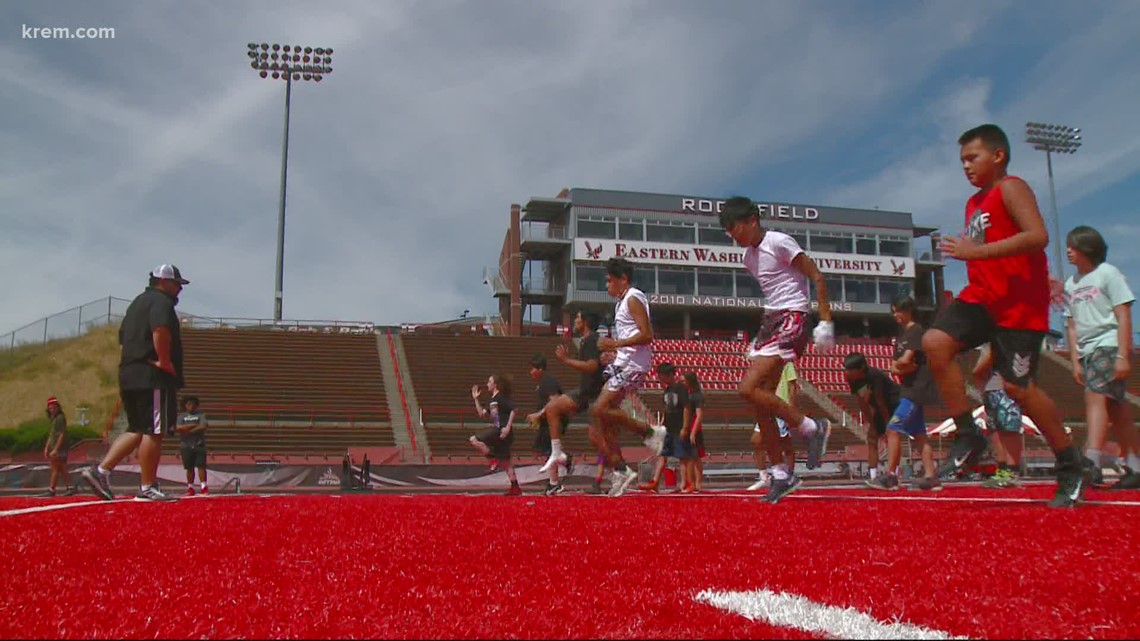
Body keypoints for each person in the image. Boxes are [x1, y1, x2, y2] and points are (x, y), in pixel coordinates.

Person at [924, 124, 1090, 508]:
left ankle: (1071, 463)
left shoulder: (1011, 188)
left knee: (1018, 389)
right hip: (983, 297)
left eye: (972, 157)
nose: (966, 166)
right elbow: (999, 247)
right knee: (934, 342)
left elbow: (1037, 236)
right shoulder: (973, 203)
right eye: (962, 160)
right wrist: (979, 257)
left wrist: (976, 253)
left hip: (1018, 306)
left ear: (997, 156)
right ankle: (968, 433)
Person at [720, 196, 831, 504]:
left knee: (748, 388)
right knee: (759, 403)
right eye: (727, 230)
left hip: (793, 316)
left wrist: (825, 320)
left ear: (752, 220)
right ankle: (781, 474)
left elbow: (816, 275)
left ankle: (812, 427)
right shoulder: (748, 257)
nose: (732, 234)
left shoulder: (779, 242)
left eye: (734, 226)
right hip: (770, 320)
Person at [83, 264, 190, 502]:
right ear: (163, 282)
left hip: (130, 373)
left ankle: (101, 471)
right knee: (154, 431)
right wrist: (164, 361)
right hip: (152, 375)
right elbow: (160, 328)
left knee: (136, 429)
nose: (179, 289)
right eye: (177, 284)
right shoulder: (161, 302)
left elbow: (123, 340)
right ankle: (148, 486)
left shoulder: (136, 304)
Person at [1063, 225, 1140, 489]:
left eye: (1073, 246)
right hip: (1086, 349)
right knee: (1117, 408)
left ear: (1087, 248)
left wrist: (1122, 354)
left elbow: (1123, 315)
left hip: (1108, 343)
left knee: (1094, 397)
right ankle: (1135, 466)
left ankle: (1091, 462)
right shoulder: (1071, 283)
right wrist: (1075, 360)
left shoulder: (1108, 274)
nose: (1068, 251)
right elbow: (1071, 325)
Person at [590, 257, 666, 497]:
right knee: (600, 426)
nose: (606, 285)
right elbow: (631, 337)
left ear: (623, 279)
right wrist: (614, 353)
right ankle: (621, 469)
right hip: (624, 362)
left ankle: (649, 431)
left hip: (634, 365)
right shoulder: (622, 303)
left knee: (599, 409)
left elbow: (647, 335)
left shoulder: (633, 298)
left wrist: (616, 344)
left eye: (609, 280)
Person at [866, 296, 941, 491]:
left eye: (898, 311)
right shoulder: (903, 335)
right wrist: (901, 366)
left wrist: (901, 365)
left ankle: (891, 475)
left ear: (908, 311)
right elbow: (895, 366)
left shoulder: (916, 331)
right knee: (919, 435)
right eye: (893, 312)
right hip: (908, 388)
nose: (895, 315)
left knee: (893, 429)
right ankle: (931, 476)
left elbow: (905, 360)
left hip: (916, 389)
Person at [534, 310, 605, 478]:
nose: (574, 320)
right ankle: (557, 452)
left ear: (585, 321)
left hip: (595, 395)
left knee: (597, 439)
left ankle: (619, 469)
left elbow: (592, 366)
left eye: (578, 318)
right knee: (552, 408)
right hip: (584, 392)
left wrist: (566, 360)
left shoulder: (592, 339)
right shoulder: (585, 340)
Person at [843, 352, 900, 483]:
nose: (847, 373)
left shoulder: (875, 376)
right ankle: (873, 475)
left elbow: (881, 401)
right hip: (878, 406)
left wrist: (888, 423)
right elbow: (862, 401)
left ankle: (893, 473)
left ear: (861, 368)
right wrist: (871, 423)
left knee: (892, 436)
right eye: (846, 369)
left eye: (851, 370)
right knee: (872, 438)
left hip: (894, 402)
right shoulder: (852, 378)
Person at [972, 347, 1025, 489]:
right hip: (991, 387)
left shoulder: (999, 338)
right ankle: (1003, 470)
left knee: (1008, 429)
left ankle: (1012, 472)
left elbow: (989, 357)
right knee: (995, 430)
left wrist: (976, 372)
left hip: (1004, 386)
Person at [639, 362, 690, 492]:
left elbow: (686, 407)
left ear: (670, 374)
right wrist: (661, 422)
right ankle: (655, 482)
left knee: (682, 456)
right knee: (662, 455)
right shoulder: (667, 390)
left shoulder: (680, 388)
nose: (661, 379)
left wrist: (685, 427)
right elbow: (665, 408)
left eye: (662, 376)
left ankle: (684, 483)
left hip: (678, 427)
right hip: (668, 428)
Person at [747, 363, 798, 491]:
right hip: (766, 405)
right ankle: (764, 476)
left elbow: (792, 386)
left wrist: (790, 408)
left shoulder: (786, 363)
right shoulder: (763, 363)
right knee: (757, 440)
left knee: (785, 443)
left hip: (779, 406)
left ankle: (789, 476)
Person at [470, 374, 520, 495]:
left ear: (495, 385)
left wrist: (508, 427)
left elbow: (514, 409)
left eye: (489, 381)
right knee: (506, 462)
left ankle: (493, 459)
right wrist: (476, 399)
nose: (487, 384)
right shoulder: (493, 400)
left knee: (474, 439)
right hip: (500, 431)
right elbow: (482, 414)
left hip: (501, 430)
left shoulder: (500, 397)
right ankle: (515, 487)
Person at [525, 354, 567, 495]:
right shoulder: (543, 382)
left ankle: (554, 482)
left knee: (549, 451)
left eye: (532, 369)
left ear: (540, 369)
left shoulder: (548, 382)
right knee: (543, 450)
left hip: (552, 423)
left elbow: (555, 401)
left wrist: (539, 414)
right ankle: (555, 479)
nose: (530, 372)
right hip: (546, 422)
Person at [41, 397, 76, 496]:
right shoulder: (54, 419)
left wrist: (56, 449)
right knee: (62, 468)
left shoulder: (60, 418)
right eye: (50, 408)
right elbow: (51, 434)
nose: (52, 410)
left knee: (55, 468)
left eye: (54, 408)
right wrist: (47, 447)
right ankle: (70, 487)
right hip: (54, 446)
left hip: (59, 447)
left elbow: (62, 434)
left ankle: (52, 489)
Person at [176, 395, 209, 496]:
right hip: (186, 445)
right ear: (185, 405)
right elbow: (178, 427)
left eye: (193, 404)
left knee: (201, 466)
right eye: (189, 404)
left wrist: (190, 431)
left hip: (199, 444)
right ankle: (190, 487)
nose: (191, 406)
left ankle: (203, 486)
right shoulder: (181, 416)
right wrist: (194, 425)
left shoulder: (201, 415)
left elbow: (203, 426)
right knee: (189, 468)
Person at [683, 371, 706, 492]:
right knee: (688, 457)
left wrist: (693, 432)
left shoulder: (697, 396)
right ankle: (689, 483)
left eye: (684, 381)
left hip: (694, 429)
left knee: (695, 457)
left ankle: (698, 483)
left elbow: (699, 415)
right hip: (686, 428)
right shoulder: (687, 395)